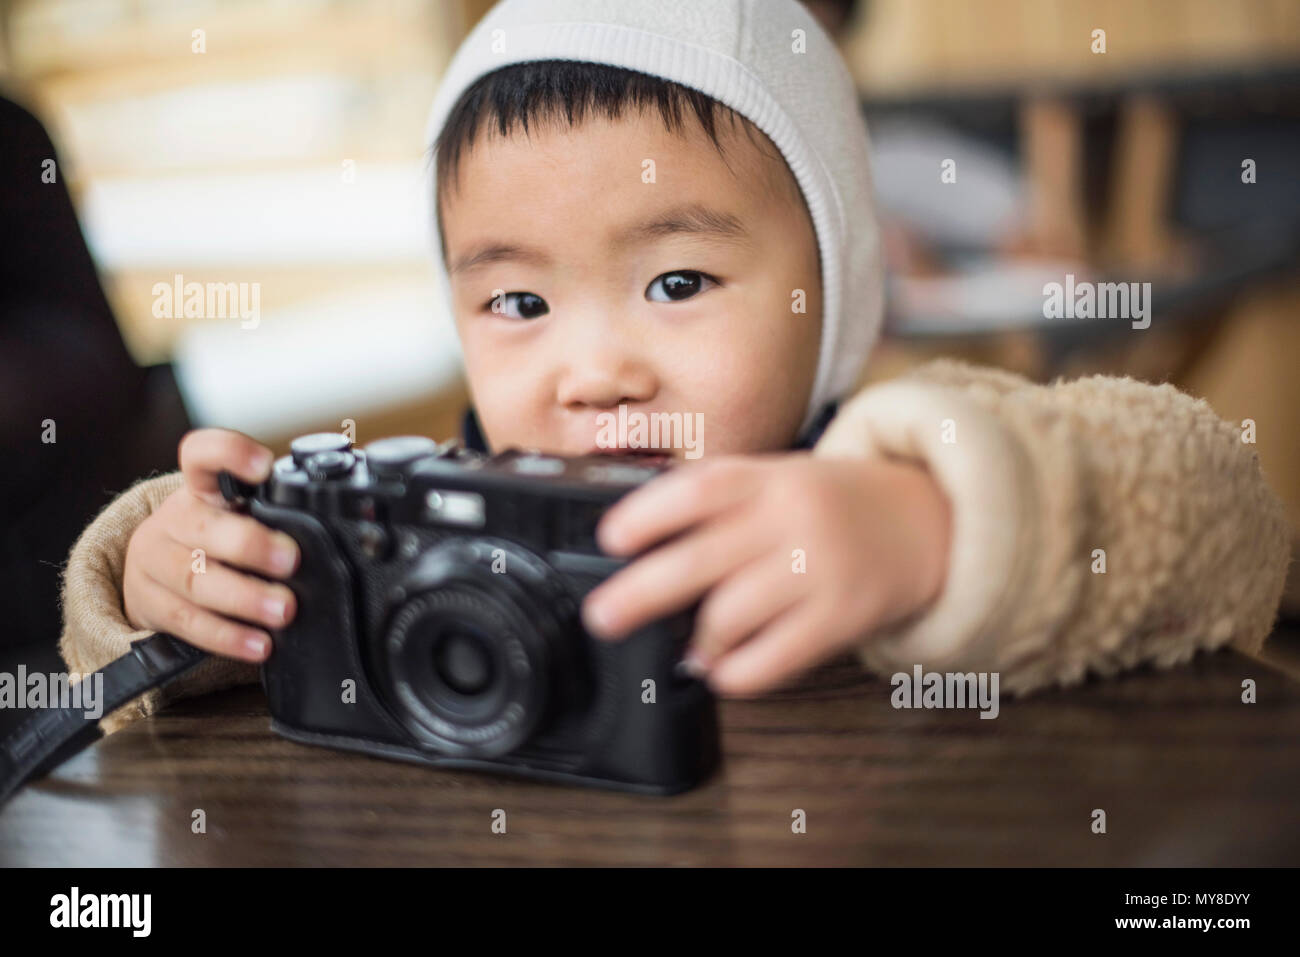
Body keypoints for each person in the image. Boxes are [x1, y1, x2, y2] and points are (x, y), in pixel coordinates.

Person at [57, 0, 1289, 734]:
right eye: (521, 300)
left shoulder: (909, 446)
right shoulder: (430, 516)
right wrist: (187, 591)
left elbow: (1226, 524)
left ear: (836, 294)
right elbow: (157, 696)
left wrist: (931, 529)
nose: (595, 370)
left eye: (679, 284)